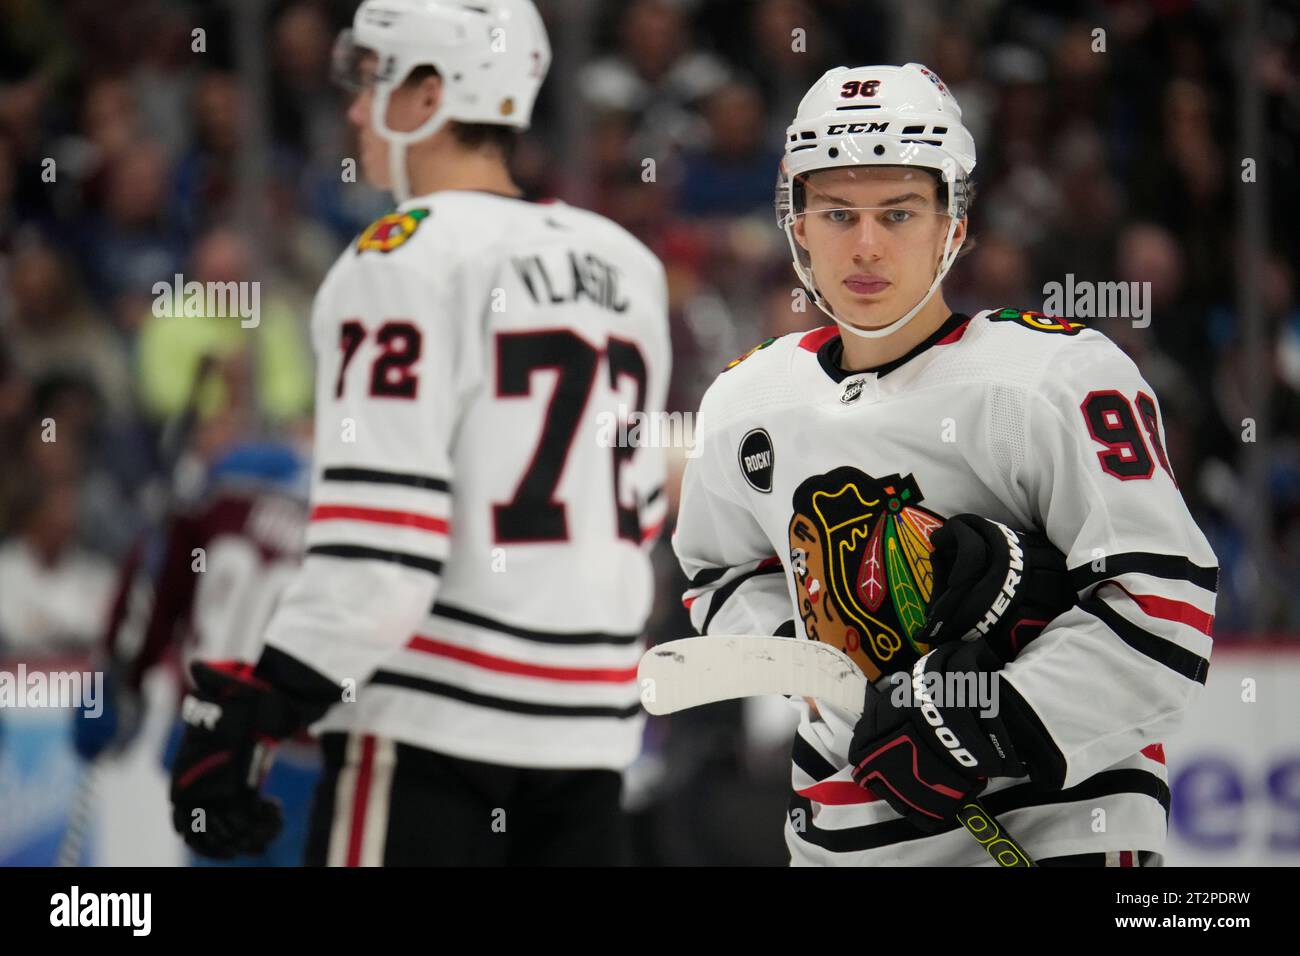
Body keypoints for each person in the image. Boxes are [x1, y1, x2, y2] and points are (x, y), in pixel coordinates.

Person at [673, 63, 1218, 866]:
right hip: (839, 838)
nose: (865, 245)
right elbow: (717, 573)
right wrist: (826, 665)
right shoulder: (747, 401)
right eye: (837, 213)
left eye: (898, 212)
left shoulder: (1055, 378)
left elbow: (1164, 610)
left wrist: (991, 716)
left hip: (1053, 829)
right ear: (797, 225)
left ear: (951, 223)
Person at [167, 0, 671, 866]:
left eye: (373, 81)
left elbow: (383, 551)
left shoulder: (401, 257)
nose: (358, 110)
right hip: (590, 740)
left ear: (432, 91)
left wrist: (266, 700)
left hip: (431, 733)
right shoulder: (629, 265)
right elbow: (645, 507)